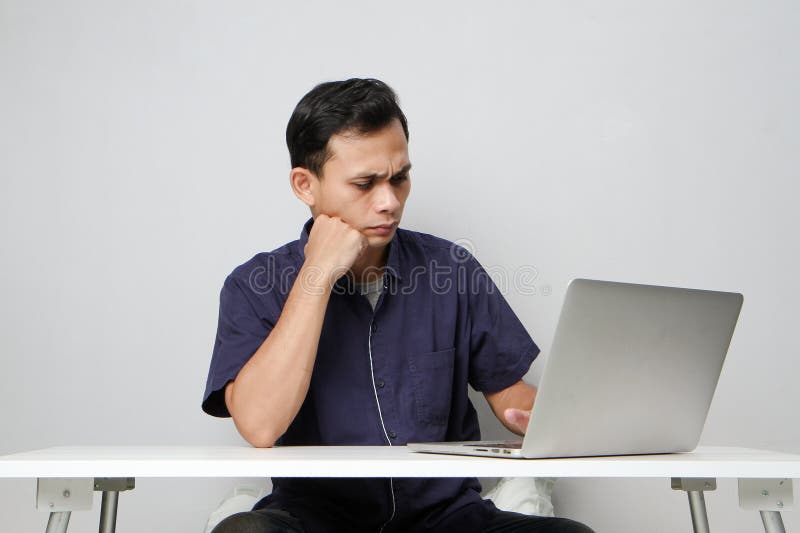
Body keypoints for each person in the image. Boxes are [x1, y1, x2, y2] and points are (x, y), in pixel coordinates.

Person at [202, 78, 594, 533]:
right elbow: (259, 425)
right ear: (305, 185)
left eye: (400, 178)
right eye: (365, 184)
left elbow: (512, 397)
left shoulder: (450, 267)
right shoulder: (253, 286)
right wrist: (317, 275)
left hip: (447, 520)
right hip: (315, 519)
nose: (389, 202)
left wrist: (577, 417)